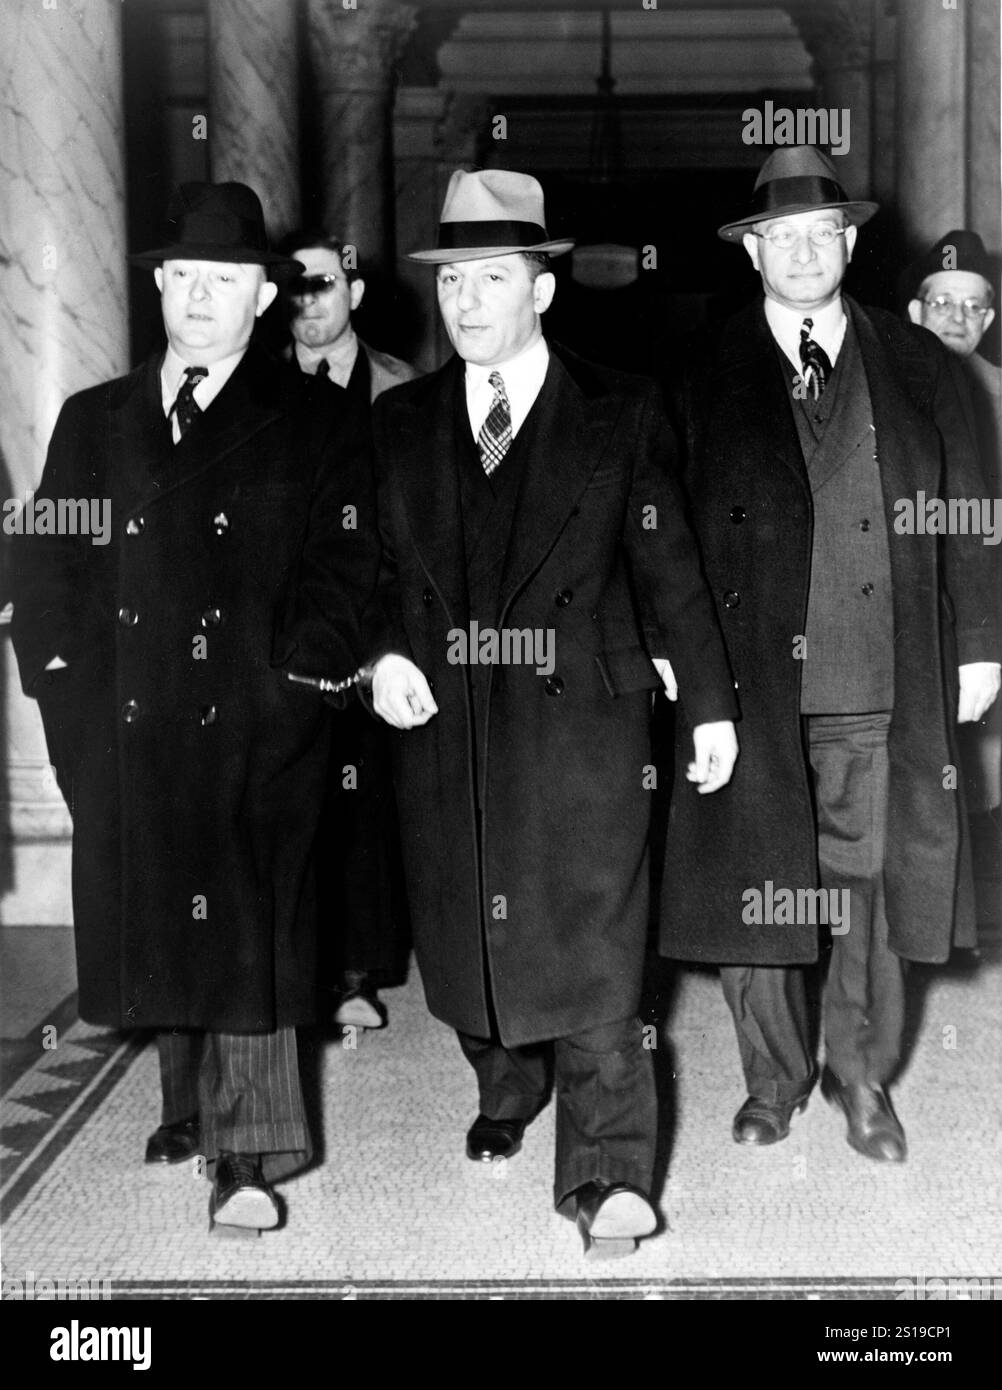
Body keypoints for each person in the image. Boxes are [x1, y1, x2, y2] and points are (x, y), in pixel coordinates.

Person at [364, 168, 739, 1257]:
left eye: (493, 277)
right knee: (470, 930)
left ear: (543, 289)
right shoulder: (399, 423)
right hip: (450, 727)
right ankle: (504, 1075)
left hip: (586, 719)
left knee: (595, 941)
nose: (467, 301)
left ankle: (611, 1171)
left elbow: (673, 567)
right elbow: (375, 571)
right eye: (452, 282)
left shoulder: (621, 410)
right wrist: (381, 653)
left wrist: (710, 705)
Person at [9, 182, 379, 1231]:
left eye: (228, 282)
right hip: (125, 727)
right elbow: (45, 567)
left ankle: (250, 1154)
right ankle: (188, 1104)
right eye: (187, 280)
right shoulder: (95, 420)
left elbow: (347, 561)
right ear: (162, 287)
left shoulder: (313, 420)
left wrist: (302, 677)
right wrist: (66, 690)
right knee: (164, 916)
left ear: (264, 299)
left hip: (261, 723)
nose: (204, 299)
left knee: (251, 935)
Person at [660, 146, 1000, 1165]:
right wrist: (674, 655)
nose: (804, 252)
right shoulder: (701, 367)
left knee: (866, 887)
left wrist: (979, 643)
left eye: (822, 234)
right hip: (748, 677)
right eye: (782, 238)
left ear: (848, 243)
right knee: (754, 882)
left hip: (878, 671)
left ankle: (861, 1077)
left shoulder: (919, 363)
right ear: (753, 253)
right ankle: (775, 1078)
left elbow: (971, 513)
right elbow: (659, 525)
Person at [277, 230, 419, 1032]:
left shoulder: (402, 388)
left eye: (324, 284)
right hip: (296, 628)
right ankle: (305, 969)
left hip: (375, 624)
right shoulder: (261, 392)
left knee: (366, 804)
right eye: (295, 288)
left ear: (354, 294)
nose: (309, 302)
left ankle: (361, 971)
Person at [905, 230, 1002, 884]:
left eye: (972, 308)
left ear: (989, 318)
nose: (958, 319)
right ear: (916, 312)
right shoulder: (880, 386)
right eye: (944, 304)